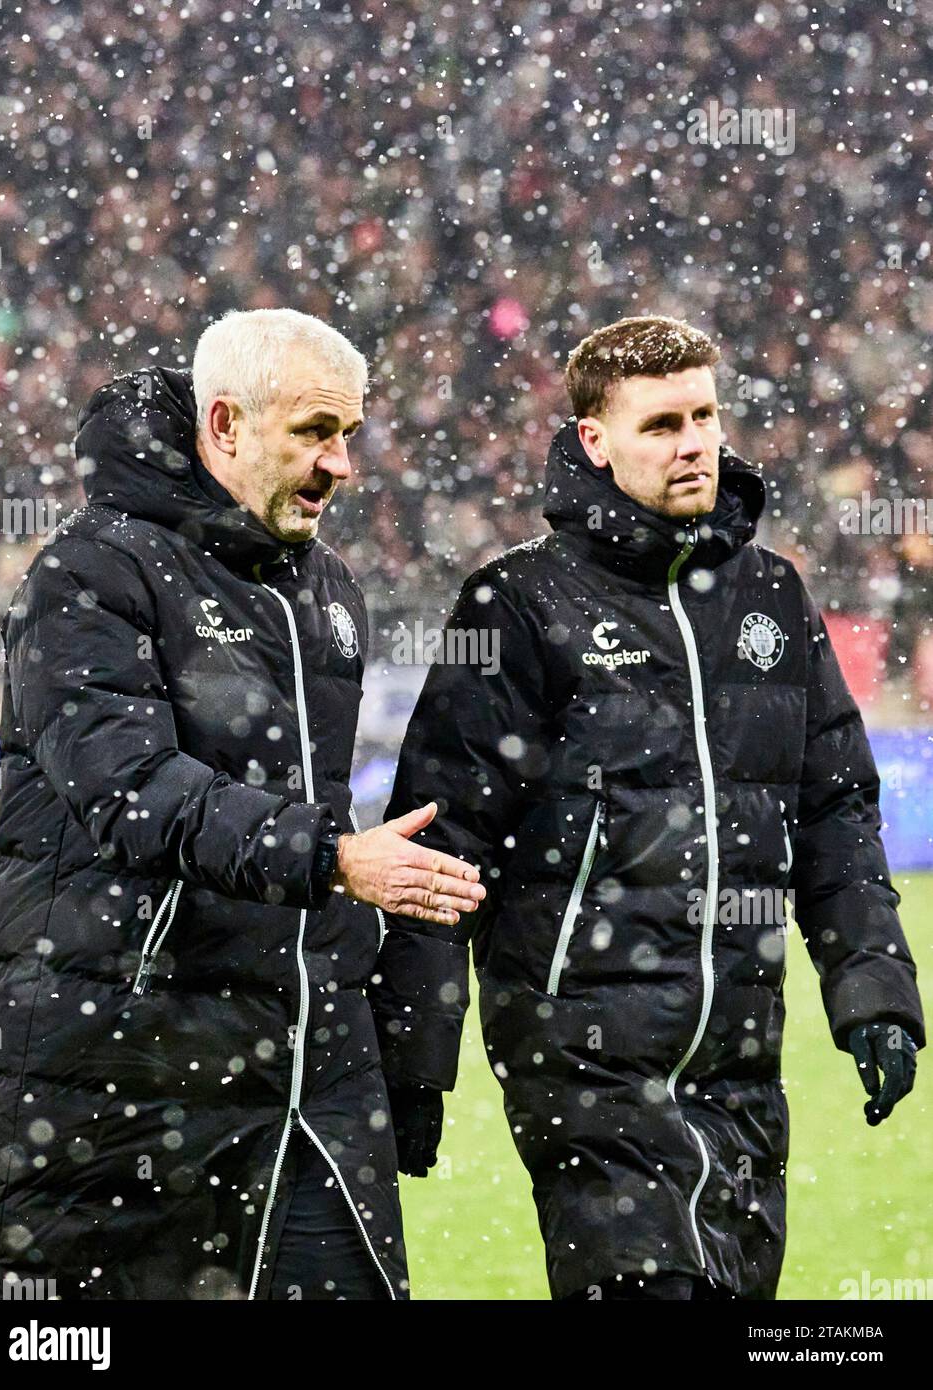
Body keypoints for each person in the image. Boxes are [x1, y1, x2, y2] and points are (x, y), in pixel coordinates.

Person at [370, 315, 924, 1300]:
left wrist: (872, 987)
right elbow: (436, 833)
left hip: (739, 1061)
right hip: (582, 1057)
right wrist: (414, 1055)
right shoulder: (514, 606)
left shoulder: (771, 597)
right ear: (595, 441)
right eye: (661, 422)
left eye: (704, 415)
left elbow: (835, 810)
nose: (693, 441)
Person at [0, 307, 484, 1301]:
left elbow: (311, 831)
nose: (341, 464)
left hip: (302, 1091)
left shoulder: (327, 591)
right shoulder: (87, 573)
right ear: (226, 425)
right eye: (314, 433)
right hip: (119, 1073)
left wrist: (405, 1061)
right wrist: (331, 855)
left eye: (349, 435)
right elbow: (131, 792)